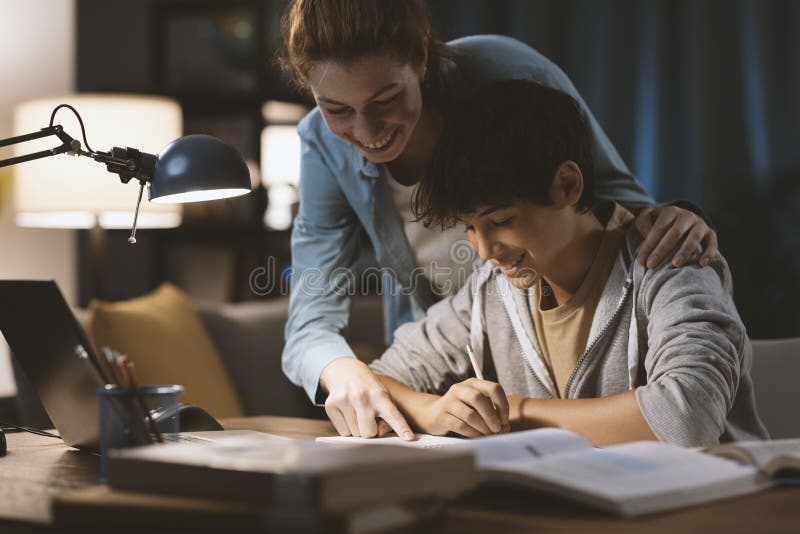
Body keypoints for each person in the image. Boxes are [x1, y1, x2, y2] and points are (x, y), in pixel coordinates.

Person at [280, 0, 719, 440]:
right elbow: (315, 323)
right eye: (336, 109)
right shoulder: (487, 290)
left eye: (386, 99)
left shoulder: (503, 72)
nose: (367, 131)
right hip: (471, 362)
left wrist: (679, 226)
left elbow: (618, 204)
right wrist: (349, 374)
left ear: (420, 56)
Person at [368, 79, 768, 446]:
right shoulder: (491, 289)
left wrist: (517, 412)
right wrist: (433, 411)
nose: (485, 251)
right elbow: (377, 379)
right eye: (470, 228)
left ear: (567, 185)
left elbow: (687, 416)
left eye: (501, 221)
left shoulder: (670, 261)